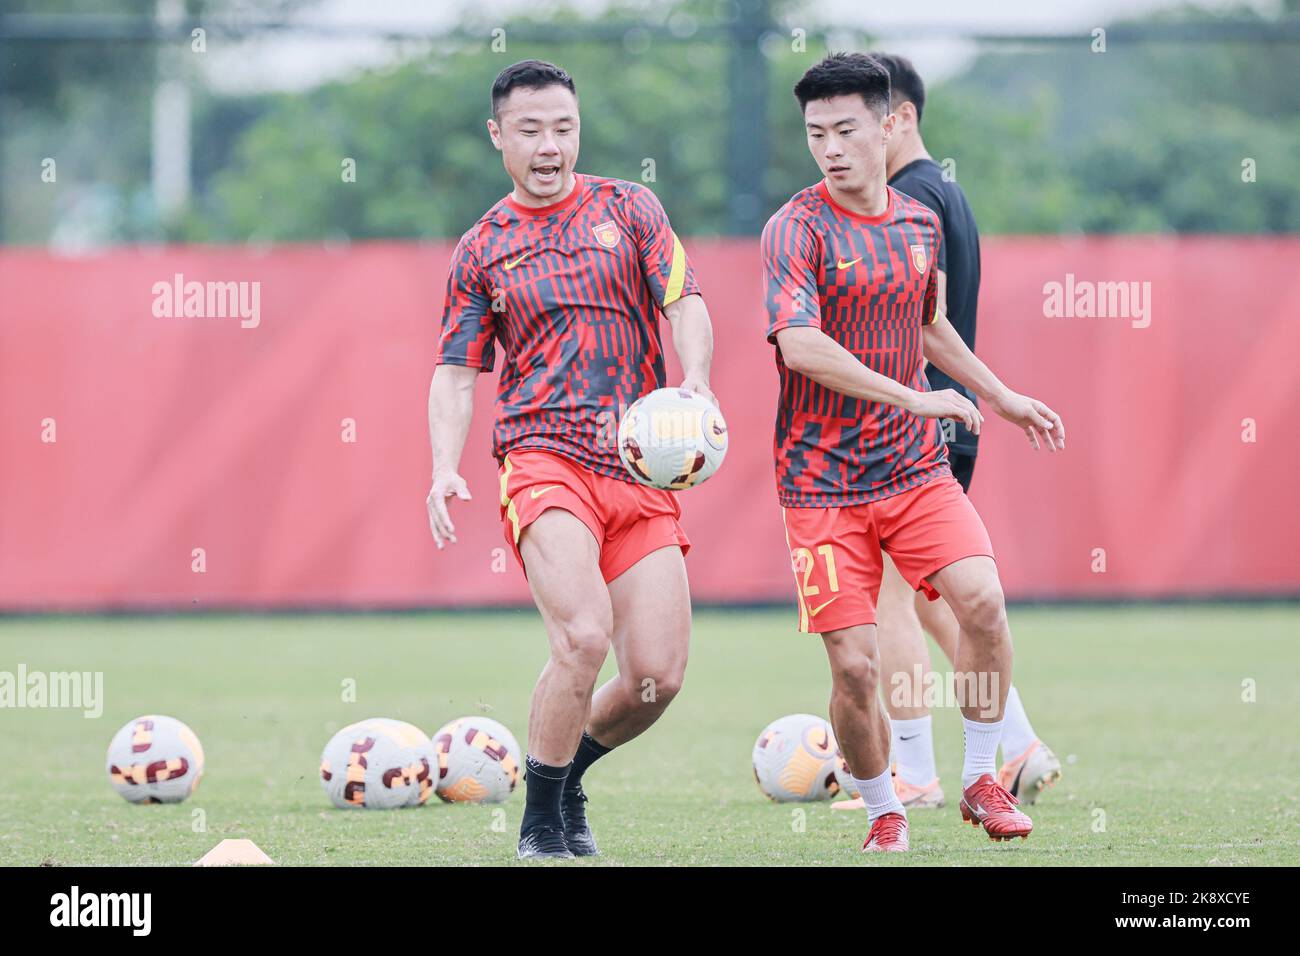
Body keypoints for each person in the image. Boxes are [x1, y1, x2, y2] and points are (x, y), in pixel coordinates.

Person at [761, 53, 1065, 851]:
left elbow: (929, 327)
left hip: (913, 468)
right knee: (856, 670)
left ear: (886, 123)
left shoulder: (918, 221)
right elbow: (799, 346)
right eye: (816, 133)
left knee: (985, 606)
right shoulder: (795, 227)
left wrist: (1000, 395)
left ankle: (976, 778)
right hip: (822, 484)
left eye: (846, 130)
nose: (830, 147)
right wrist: (917, 396)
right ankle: (883, 807)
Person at [427, 60, 717, 860]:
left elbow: (684, 299)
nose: (549, 145)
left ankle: (565, 776)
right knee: (583, 638)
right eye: (530, 130)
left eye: (563, 128)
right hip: (541, 457)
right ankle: (538, 830)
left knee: (656, 678)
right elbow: (456, 370)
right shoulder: (484, 246)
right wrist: (443, 466)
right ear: (498, 136)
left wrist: (693, 378)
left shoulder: (631, 207)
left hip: (639, 466)